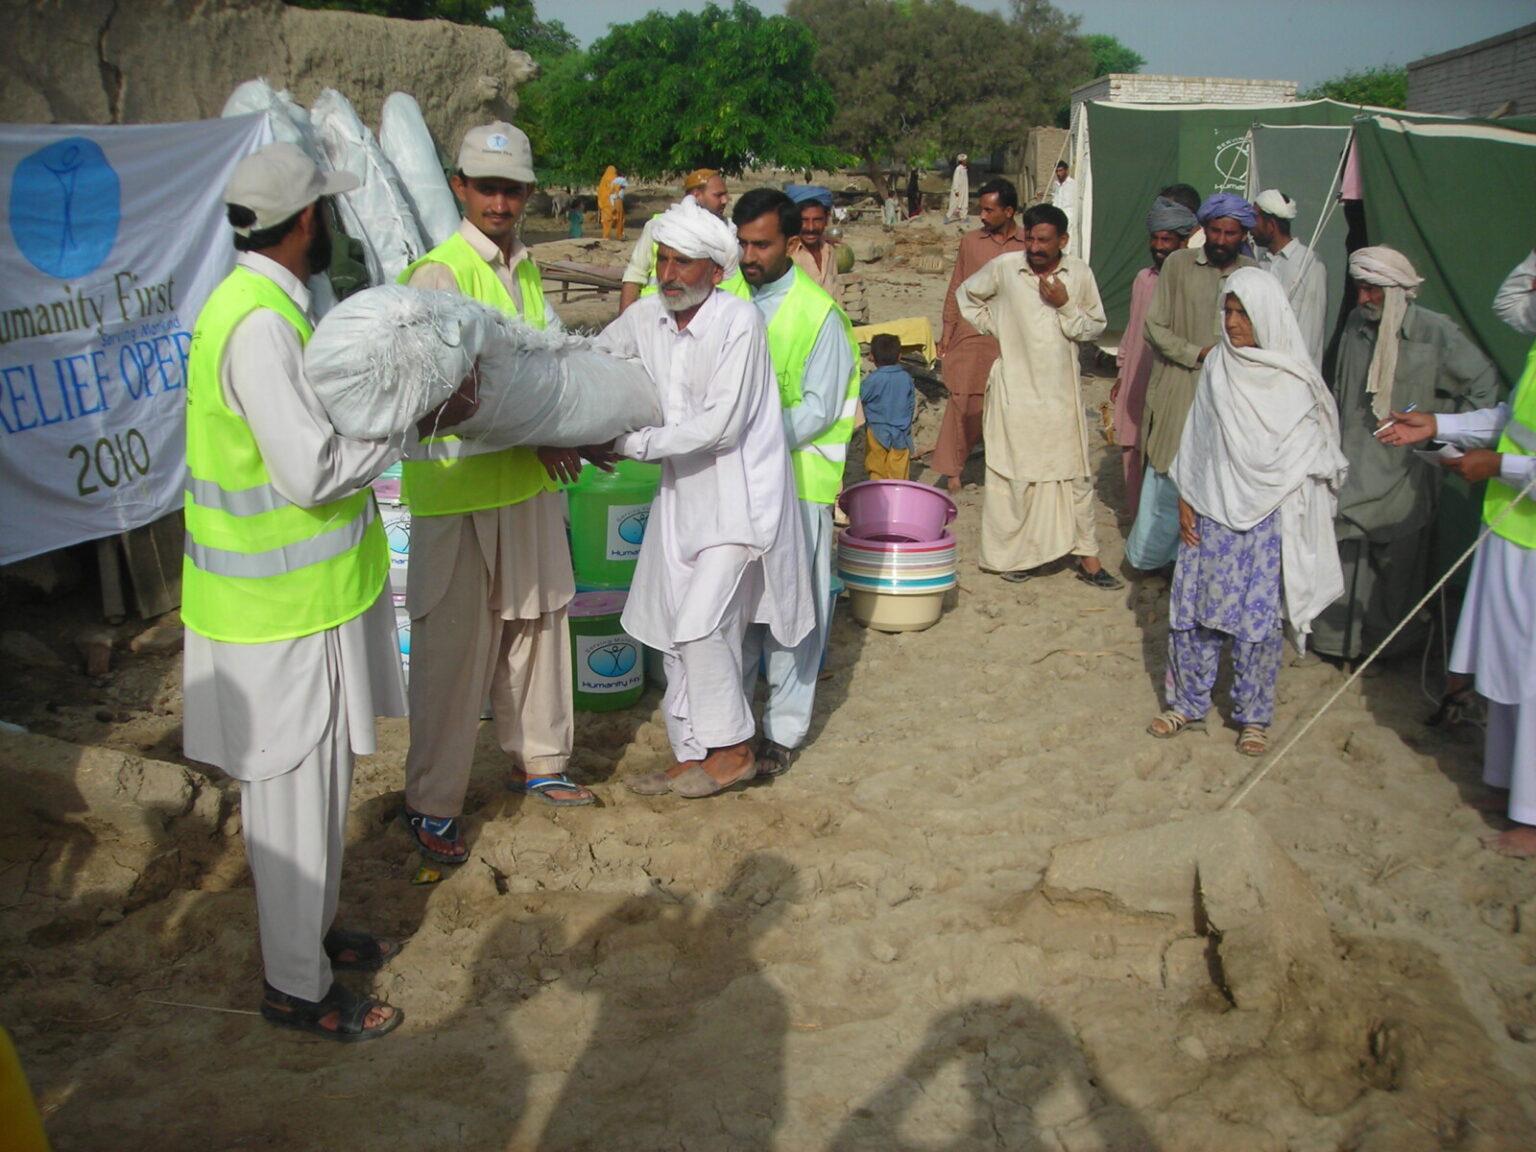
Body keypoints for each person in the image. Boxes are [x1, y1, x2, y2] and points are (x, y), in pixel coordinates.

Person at [182, 142, 408, 1041]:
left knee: (319, 792)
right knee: (290, 802)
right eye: (330, 212)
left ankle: (311, 935)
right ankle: (295, 988)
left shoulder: (267, 305)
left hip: (297, 604)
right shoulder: (259, 327)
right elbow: (310, 472)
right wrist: (398, 429)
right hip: (274, 617)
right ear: (306, 219)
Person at [398, 122, 596, 869]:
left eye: (512, 189)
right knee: (454, 651)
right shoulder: (439, 275)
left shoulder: (528, 269)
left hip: (528, 485)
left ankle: (539, 763)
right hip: (458, 493)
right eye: (487, 187)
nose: (500, 202)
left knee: (540, 624)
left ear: (529, 193)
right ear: (460, 187)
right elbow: (442, 398)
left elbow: (549, 367)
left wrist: (578, 425)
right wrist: (544, 435)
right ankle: (432, 801)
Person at [602, 198, 813, 798]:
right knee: (674, 630)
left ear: (716, 271)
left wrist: (630, 443)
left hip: (739, 501)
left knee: (701, 625)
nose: (668, 274)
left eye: (683, 263)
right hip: (679, 498)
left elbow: (720, 426)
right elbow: (597, 357)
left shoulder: (738, 322)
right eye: (662, 260)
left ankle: (734, 749)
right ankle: (692, 751)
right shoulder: (648, 315)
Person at [1147, 269, 1348, 755]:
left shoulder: (1295, 381)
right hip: (1212, 505)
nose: (1233, 323)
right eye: (1229, 311)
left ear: (1267, 317)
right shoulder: (1219, 366)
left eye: (1244, 314)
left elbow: (1315, 452)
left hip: (1266, 518)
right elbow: (1199, 436)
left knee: (1256, 623)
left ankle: (1253, 717)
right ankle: (1187, 703)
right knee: (1194, 611)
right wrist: (1188, 494)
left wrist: (1290, 496)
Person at [1378, 282, 1536, 857]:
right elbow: (1509, 419)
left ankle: (1532, 818)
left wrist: (1500, 466)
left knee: (1533, 678)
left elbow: (1512, 451)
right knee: (1505, 665)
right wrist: (1438, 427)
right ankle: (1507, 784)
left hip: (1532, 542)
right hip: (1509, 531)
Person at [1310, 246, 1499, 662]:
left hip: (1405, 471)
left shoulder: (1435, 332)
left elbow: (1483, 386)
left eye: (1372, 290)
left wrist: (1446, 439)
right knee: (1346, 561)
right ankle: (1335, 647)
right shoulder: (1356, 324)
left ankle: (1383, 653)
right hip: (1353, 462)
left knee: (1395, 570)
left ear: (1396, 290)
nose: (1363, 299)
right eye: (1359, 288)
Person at [732, 188, 859, 778]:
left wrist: (741, 433)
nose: (748, 256)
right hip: (733, 487)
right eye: (742, 243)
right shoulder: (727, 297)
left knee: (791, 616)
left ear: (790, 242)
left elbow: (819, 408)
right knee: (737, 611)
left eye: (761, 245)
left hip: (798, 486)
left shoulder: (819, 315)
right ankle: (733, 729)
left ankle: (781, 733)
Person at [956, 203, 1118, 588]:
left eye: (1044, 240)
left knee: (1073, 475)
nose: (1035, 247)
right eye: (1029, 239)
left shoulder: (1078, 274)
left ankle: (1087, 557)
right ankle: (1018, 556)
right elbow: (967, 295)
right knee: (1017, 475)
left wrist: (1064, 304)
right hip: (1016, 390)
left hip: (1061, 394)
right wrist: (996, 325)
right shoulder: (1006, 268)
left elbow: (1091, 329)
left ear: (1063, 240)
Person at [1125, 193, 1259, 574]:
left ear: (1243, 234)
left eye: (1229, 233)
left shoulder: (1254, 275)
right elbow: (1155, 327)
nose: (1221, 240)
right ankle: (1151, 561)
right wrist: (1197, 354)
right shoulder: (1179, 265)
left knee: (1216, 476)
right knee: (1167, 474)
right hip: (1180, 386)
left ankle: (1192, 564)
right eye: (1214, 231)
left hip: (1231, 394)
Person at [933, 178, 1028, 494]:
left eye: (989, 210)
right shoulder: (971, 242)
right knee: (962, 399)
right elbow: (956, 285)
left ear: (1009, 211)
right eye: (981, 210)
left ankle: (1009, 467)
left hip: (1013, 334)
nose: (982, 216)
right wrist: (947, 330)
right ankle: (953, 469)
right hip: (972, 331)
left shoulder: (1027, 245)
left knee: (1009, 402)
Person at [1113, 195, 1197, 523]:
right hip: (1137, 377)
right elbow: (1132, 329)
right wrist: (1122, 370)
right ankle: (1139, 527)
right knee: (1131, 448)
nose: (1160, 247)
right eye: (1156, 239)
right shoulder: (1143, 279)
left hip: (1172, 383)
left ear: (1183, 241)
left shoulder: (1190, 281)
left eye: (1167, 239)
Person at [620, 169, 745, 312]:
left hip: (724, 314)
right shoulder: (661, 226)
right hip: (661, 314)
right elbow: (634, 276)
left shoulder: (730, 231)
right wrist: (625, 321)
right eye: (718, 195)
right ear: (696, 196)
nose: (725, 201)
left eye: (725, 195)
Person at [1253, 188, 1327, 368]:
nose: (1250, 226)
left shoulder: (1309, 263)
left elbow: (1310, 330)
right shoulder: (1260, 262)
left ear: (1271, 225)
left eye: (1255, 219)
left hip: (1294, 370)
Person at [861, 333, 916, 482]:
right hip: (901, 430)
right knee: (898, 467)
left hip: (876, 429)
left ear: (872, 357)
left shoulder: (873, 380)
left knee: (876, 465)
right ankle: (897, 490)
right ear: (899, 356)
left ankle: (877, 490)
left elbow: (861, 399)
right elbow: (911, 404)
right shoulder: (906, 378)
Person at [786, 184, 842, 295]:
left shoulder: (829, 250)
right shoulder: (787, 256)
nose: (810, 228)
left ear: (827, 219)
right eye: (803, 220)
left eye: (817, 220)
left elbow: (835, 295)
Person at [1048, 160, 1077, 243]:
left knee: (1067, 237)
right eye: (1056, 171)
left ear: (1066, 170)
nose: (1058, 173)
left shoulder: (1073, 184)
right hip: (1057, 214)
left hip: (1069, 214)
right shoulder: (1055, 184)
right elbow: (1055, 197)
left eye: (1060, 170)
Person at [597, 165, 626, 241]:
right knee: (620, 219)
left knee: (607, 221)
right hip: (616, 201)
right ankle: (619, 235)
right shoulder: (615, 178)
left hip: (605, 203)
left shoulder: (603, 181)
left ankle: (606, 236)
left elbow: (600, 193)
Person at [945, 154, 969, 224]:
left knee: (964, 203)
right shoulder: (958, 169)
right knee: (954, 203)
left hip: (964, 189)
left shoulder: (964, 169)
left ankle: (963, 217)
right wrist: (956, 190)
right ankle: (947, 217)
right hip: (958, 189)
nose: (966, 161)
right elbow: (956, 180)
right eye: (965, 160)